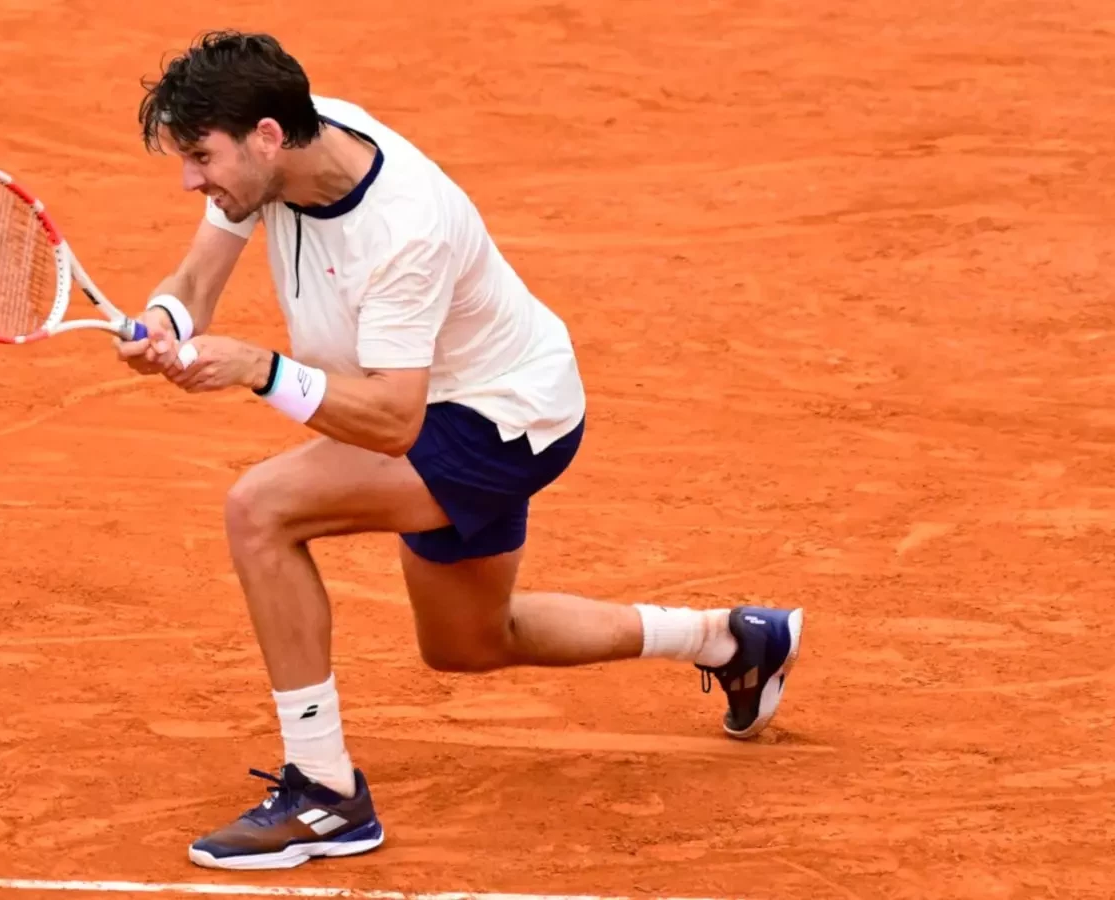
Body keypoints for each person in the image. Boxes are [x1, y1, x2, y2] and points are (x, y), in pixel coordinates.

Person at [113, 30, 804, 872]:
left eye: (199, 157)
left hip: (496, 421)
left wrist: (259, 369)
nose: (192, 179)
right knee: (470, 641)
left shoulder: (404, 229)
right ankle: (730, 641)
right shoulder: (280, 150)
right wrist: (168, 322)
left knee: (260, 511)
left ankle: (325, 794)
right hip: (450, 402)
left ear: (265, 135)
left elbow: (394, 424)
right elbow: (197, 281)